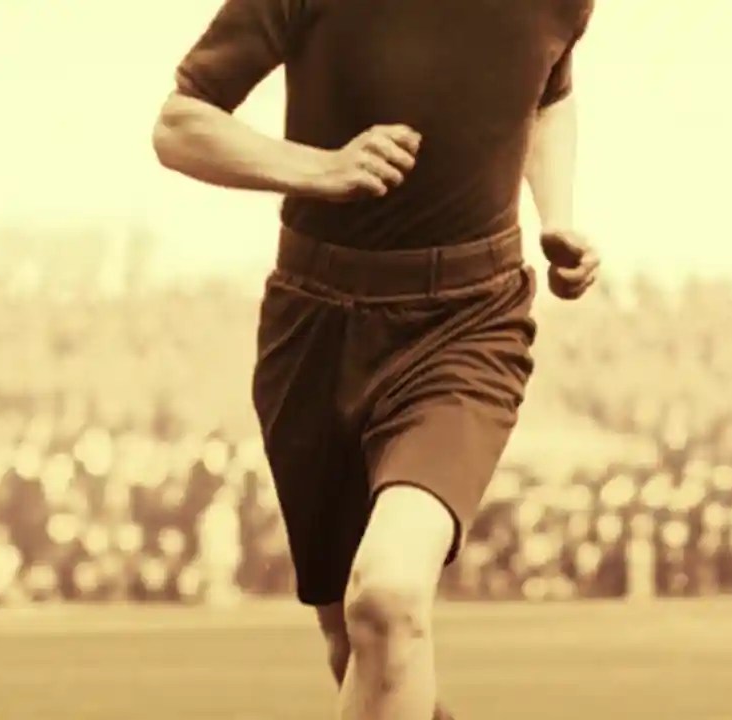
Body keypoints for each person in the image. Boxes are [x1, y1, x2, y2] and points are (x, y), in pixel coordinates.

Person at [152, 1, 599, 718]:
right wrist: (321, 169)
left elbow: (550, 94)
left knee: (388, 596)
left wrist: (560, 217)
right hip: (313, 324)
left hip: (468, 319)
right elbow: (180, 125)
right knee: (353, 643)